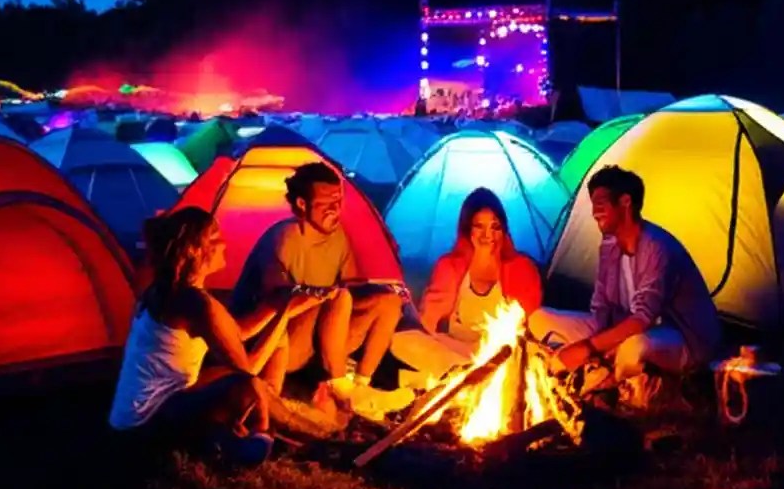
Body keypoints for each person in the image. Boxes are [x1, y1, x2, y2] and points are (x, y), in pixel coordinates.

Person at [108, 207, 333, 464]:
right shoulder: (195, 302)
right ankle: (314, 439)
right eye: (215, 238)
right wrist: (282, 314)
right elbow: (246, 369)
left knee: (226, 375)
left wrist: (279, 306)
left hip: (131, 420)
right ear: (193, 250)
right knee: (247, 386)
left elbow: (236, 332)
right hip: (148, 426)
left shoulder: (165, 289)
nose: (224, 242)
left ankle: (234, 435)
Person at [231, 162, 414, 420]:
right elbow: (276, 303)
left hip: (324, 340)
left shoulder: (337, 237)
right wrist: (321, 294)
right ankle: (342, 388)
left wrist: (381, 289)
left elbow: (352, 285)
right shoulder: (283, 239)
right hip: (280, 345)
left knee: (388, 301)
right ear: (303, 205)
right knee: (339, 297)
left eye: (338, 202)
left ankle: (360, 387)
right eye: (325, 204)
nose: (335, 210)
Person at [530, 165, 723, 405]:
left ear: (625, 202)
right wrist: (598, 344)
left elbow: (643, 319)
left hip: (683, 337)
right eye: (593, 203)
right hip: (621, 330)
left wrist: (589, 347)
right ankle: (593, 370)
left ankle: (619, 386)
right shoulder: (609, 246)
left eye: (601, 202)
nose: (594, 211)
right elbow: (600, 307)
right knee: (538, 318)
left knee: (634, 347)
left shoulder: (657, 248)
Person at [391, 187, 543, 379]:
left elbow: (530, 322)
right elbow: (428, 319)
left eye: (495, 227)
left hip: (502, 353)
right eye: (479, 226)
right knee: (402, 340)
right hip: (458, 352)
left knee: (529, 353)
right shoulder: (450, 265)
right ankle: (466, 375)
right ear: (467, 228)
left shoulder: (521, 266)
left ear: (504, 230)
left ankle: (464, 378)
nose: (487, 235)